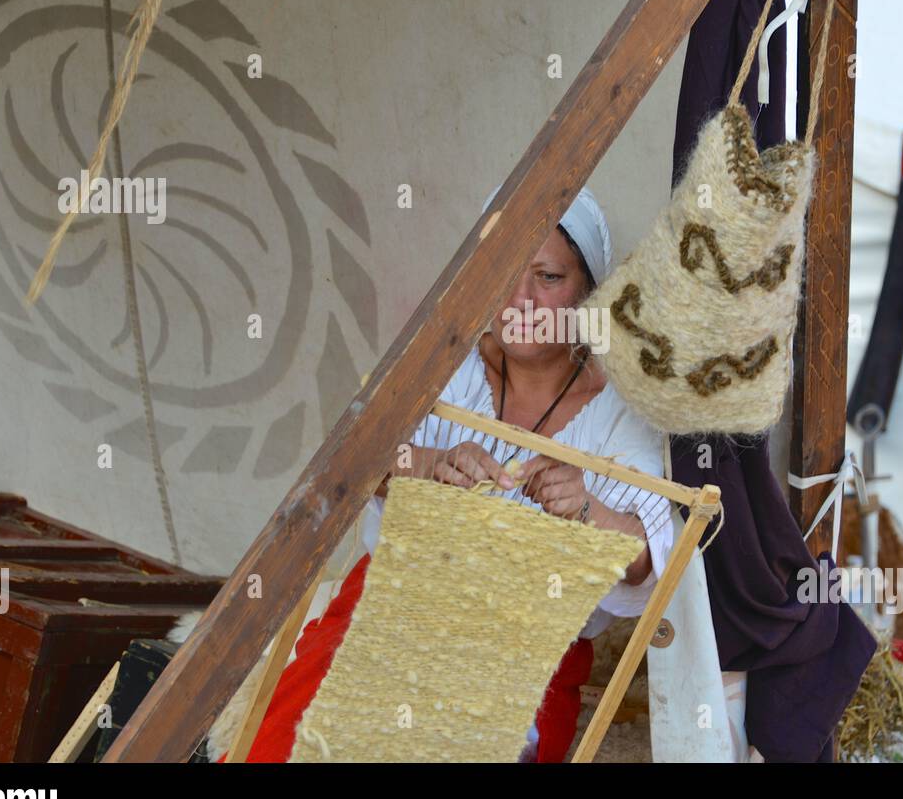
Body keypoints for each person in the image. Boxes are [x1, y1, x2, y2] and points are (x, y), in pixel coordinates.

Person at [239, 184, 672, 763]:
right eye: (506, 270)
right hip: (390, 611)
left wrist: (589, 509)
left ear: (589, 294)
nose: (521, 300)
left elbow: (650, 562)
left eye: (547, 278)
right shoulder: (444, 360)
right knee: (297, 742)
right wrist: (427, 465)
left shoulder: (620, 412)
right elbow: (352, 467)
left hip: (525, 657)